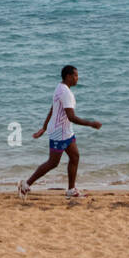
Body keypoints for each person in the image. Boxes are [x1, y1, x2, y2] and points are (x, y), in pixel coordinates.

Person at [19, 65, 102, 198]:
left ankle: (71, 190)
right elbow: (72, 117)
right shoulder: (65, 93)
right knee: (53, 163)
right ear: (68, 76)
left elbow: (53, 108)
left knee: (75, 157)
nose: (77, 78)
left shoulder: (60, 88)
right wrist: (91, 124)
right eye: (75, 75)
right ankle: (26, 185)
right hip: (59, 132)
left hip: (66, 131)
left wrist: (44, 127)